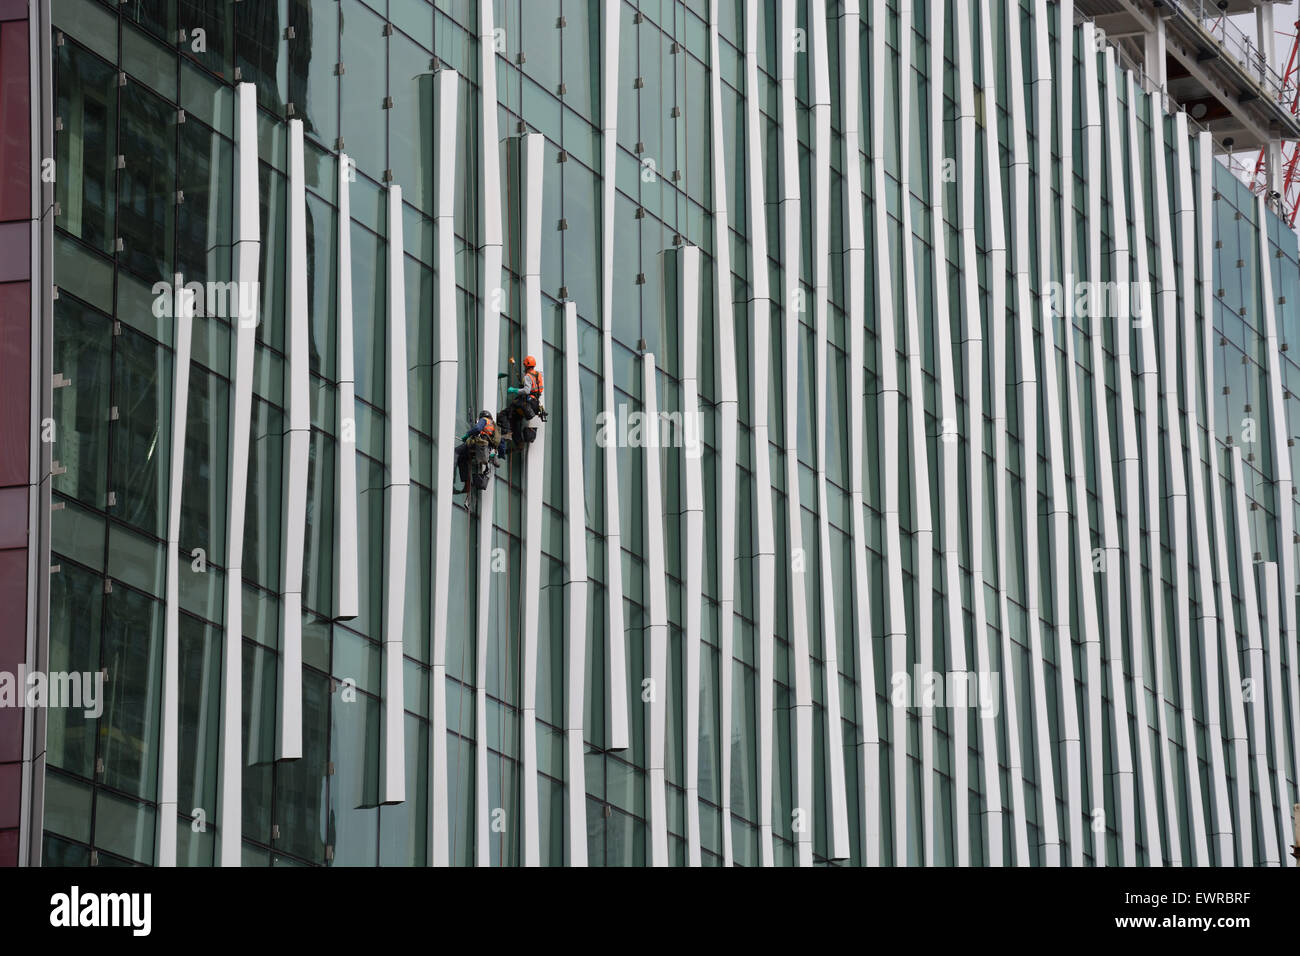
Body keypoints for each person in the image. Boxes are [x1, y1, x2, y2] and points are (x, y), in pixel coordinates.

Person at [504, 355, 546, 449]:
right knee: (517, 417)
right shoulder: (538, 374)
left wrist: (514, 390)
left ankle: (510, 434)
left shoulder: (528, 376)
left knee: (512, 412)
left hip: (529, 403)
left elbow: (527, 391)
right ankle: (518, 441)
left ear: (526, 366)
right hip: (535, 404)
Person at [454, 410, 498, 492]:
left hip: (478, 445)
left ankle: (453, 478)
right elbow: (500, 443)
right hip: (486, 450)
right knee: (463, 459)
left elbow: (477, 428)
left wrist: (467, 435)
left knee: (456, 452)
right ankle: (467, 485)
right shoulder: (495, 427)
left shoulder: (484, 420)